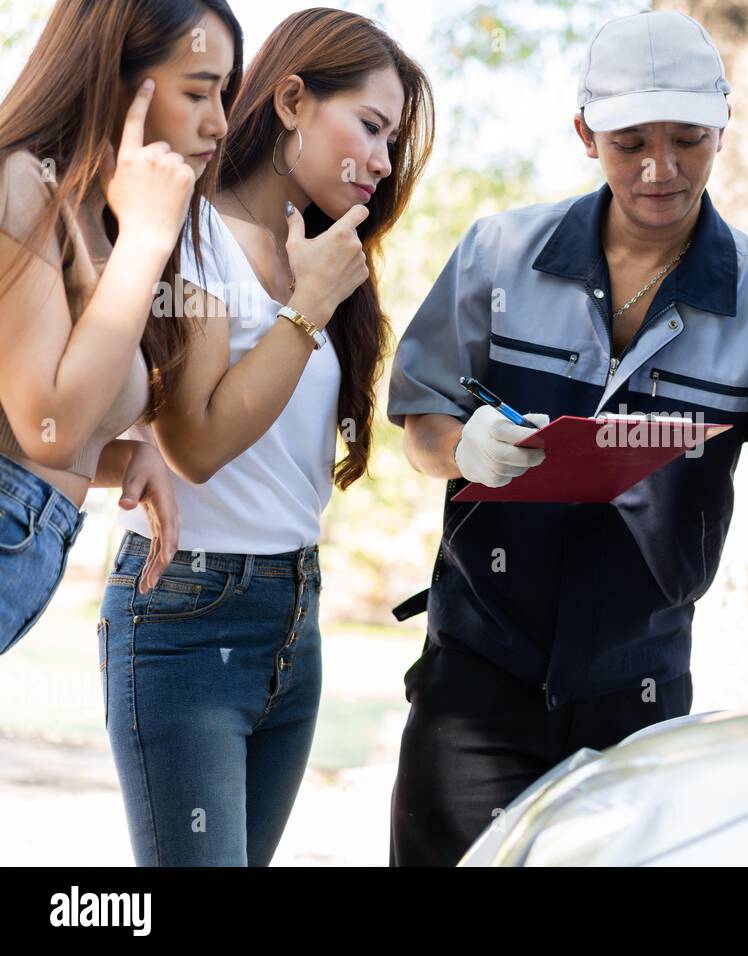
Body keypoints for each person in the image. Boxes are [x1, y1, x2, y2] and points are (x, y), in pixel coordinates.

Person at [387, 9, 748, 867]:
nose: (661, 170)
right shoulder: (496, 255)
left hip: (638, 700)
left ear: (724, 126)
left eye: (688, 138)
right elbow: (419, 416)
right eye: (630, 143)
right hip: (475, 684)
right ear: (586, 133)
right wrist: (461, 447)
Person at [99, 7, 434, 866]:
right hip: (186, 611)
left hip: (295, 613)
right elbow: (196, 442)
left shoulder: (323, 257)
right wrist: (308, 305)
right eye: (370, 126)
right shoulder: (196, 233)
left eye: (391, 140)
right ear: (290, 100)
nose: (382, 161)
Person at [0, 0, 244, 653]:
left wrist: (129, 456)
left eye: (225, 94)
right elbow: (47, 426)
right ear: (113, 78)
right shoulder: (22, 180)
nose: (220, 123)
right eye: (199, 91)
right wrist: (148, 235)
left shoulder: (94, 214)